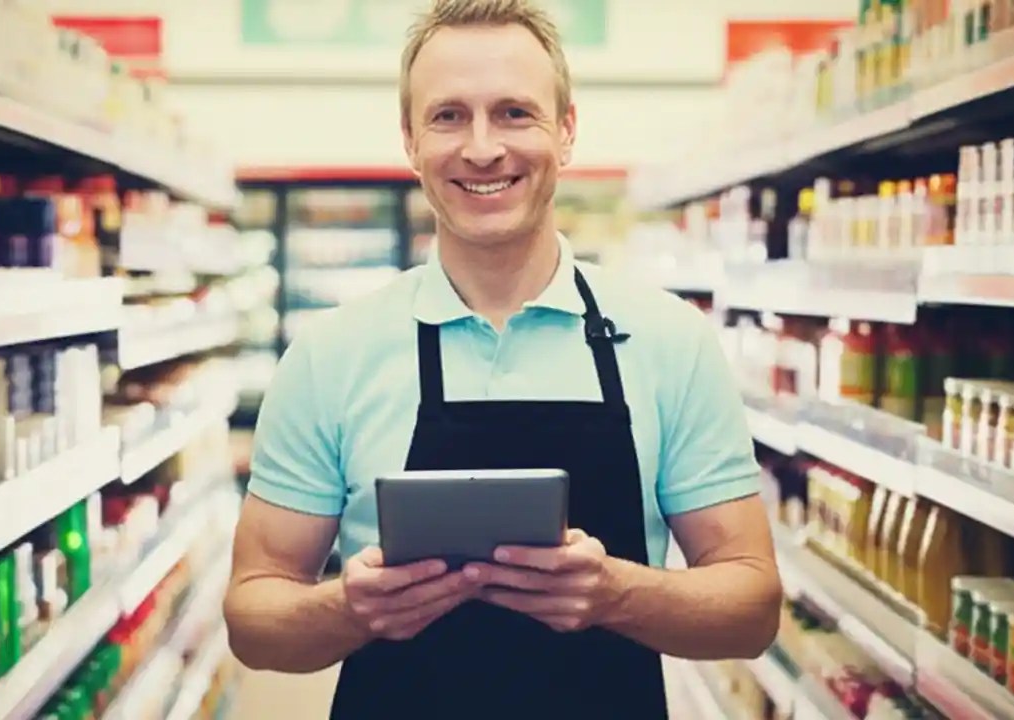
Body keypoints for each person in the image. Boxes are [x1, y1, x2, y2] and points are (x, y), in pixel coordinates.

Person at [223, 1, 781, 717]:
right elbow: (253, 621)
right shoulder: (330, 355)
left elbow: (752, 608)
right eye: (448, 116)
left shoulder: (672, 341)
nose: (482, 149)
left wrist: (616, 592)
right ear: (410, 139)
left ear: (567, 130)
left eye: (515, 112)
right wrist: (350, 608)